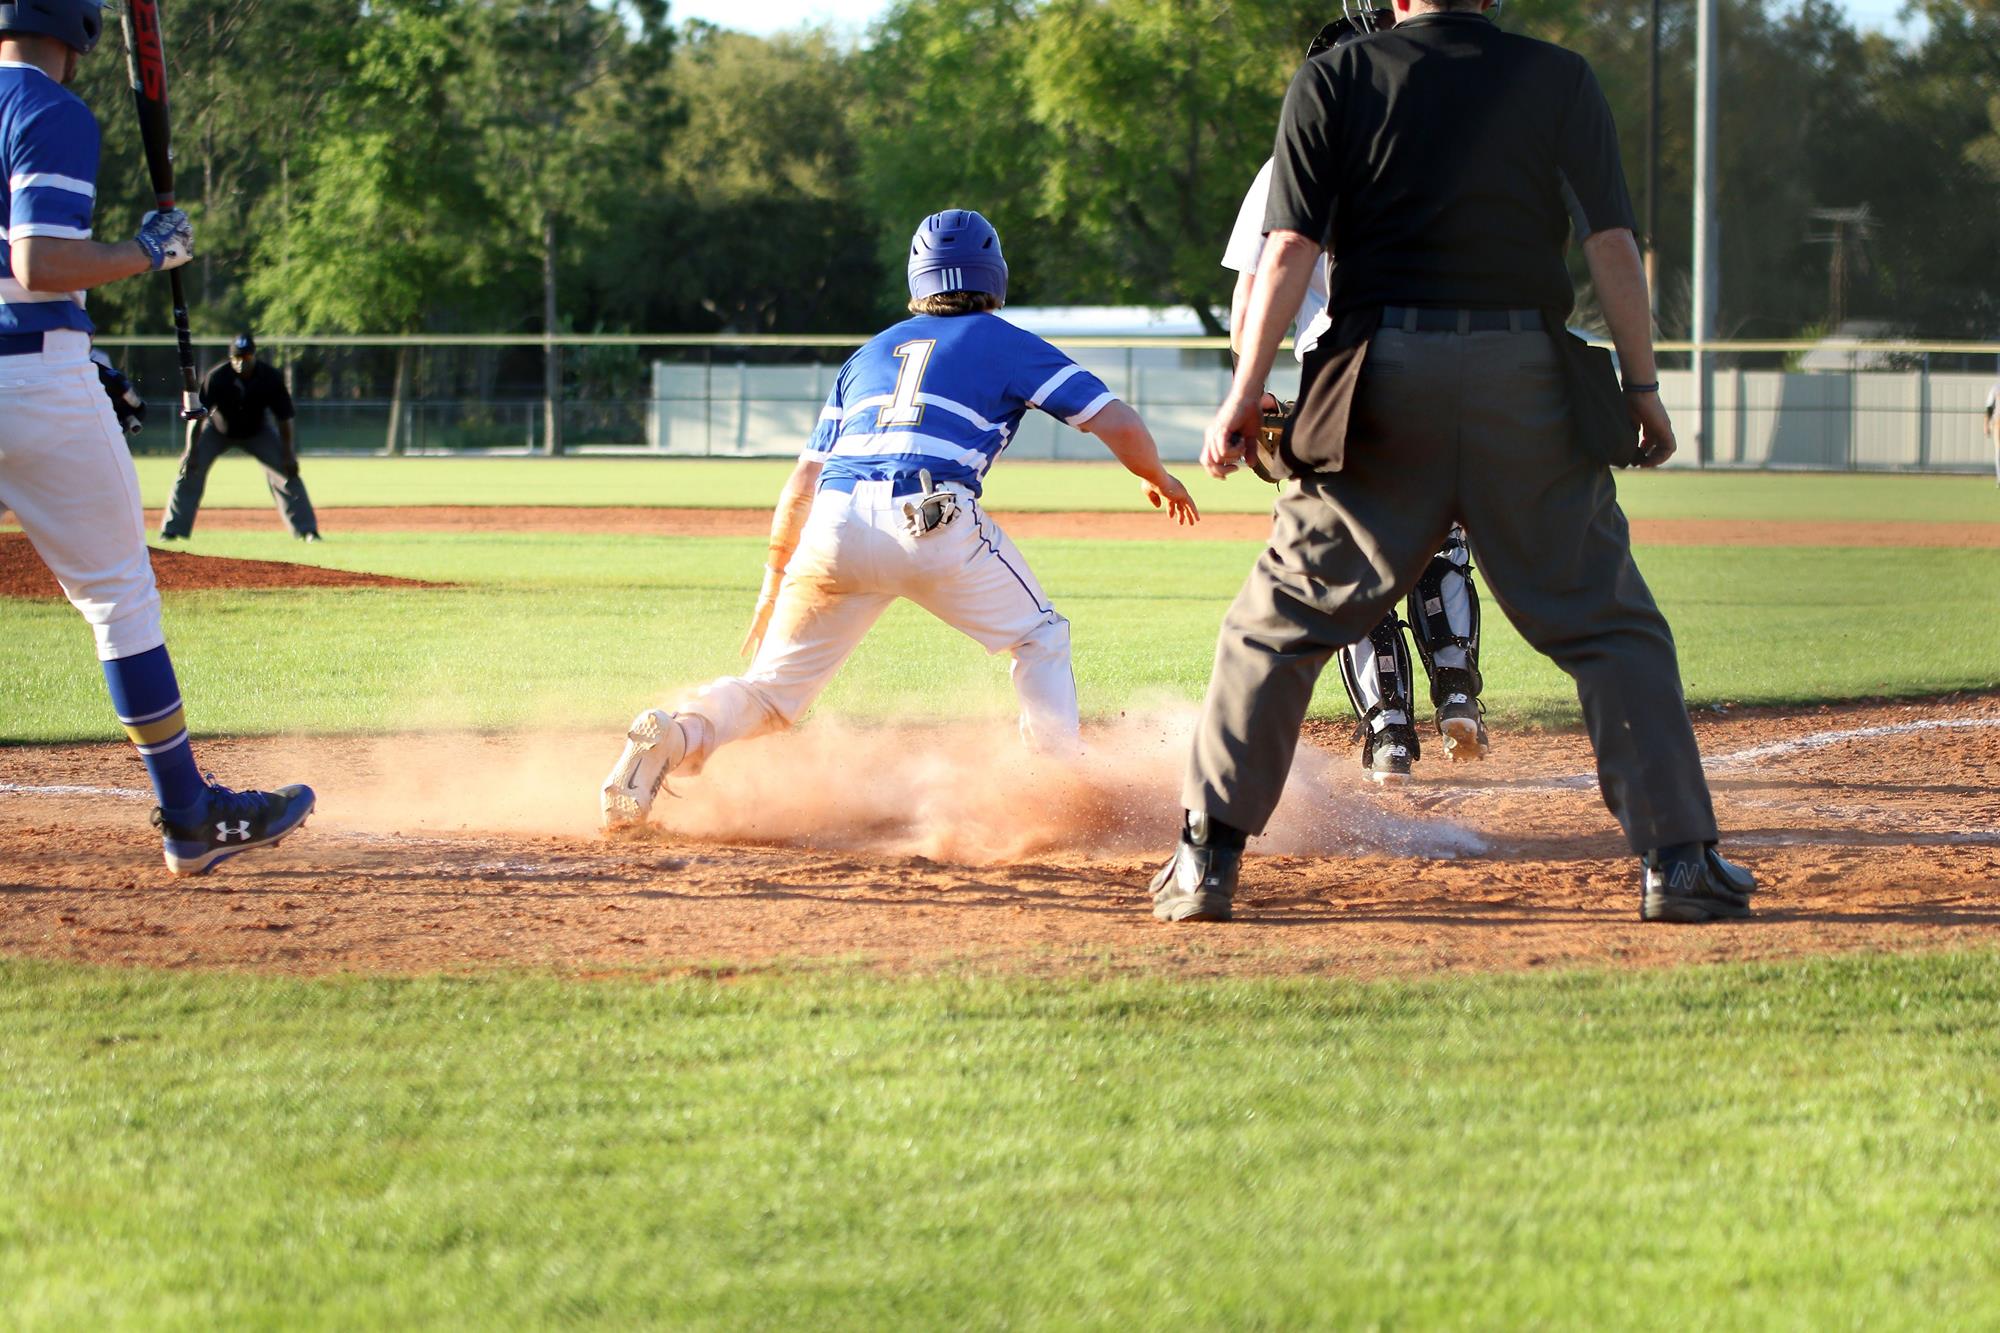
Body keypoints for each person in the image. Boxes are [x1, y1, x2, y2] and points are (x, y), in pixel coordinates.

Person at [1150, 0, 1756, 925]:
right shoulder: (1558, 78)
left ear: (1396, 1)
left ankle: (1206, 863)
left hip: (1377, 380)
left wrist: (1243, 392)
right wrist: (1640, 385)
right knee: (1609, 623)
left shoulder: (1334, 77)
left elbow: (1288, 249)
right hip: (1528, 383)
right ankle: (1678, 864)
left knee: (1279, 623)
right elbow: (1612, 246)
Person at [601, 209, 1201, 827]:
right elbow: (1117, 420)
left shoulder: (866, 355)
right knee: (1038, 637)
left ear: (918, 277)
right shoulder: (1005, 342)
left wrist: (772, 580)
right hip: (930, 517)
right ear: (994, 274)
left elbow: (803, 481)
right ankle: (1059, 786)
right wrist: (1157, 476)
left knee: (770, 694)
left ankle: (676, 735)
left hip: (831, 528)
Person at [1, 0, 313, 873]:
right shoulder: (50, 109)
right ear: (77, 24)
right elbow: (37, 263)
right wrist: (146, 251)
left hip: (29, 361)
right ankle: (189, 815)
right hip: (34, 380)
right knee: (118, 598)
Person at [1221, 19, 1490, 785]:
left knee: (1348, 560)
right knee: (1442, 543)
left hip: (1332, 382)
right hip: (1438, 371)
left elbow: (1255, 288)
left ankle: (1388, 735)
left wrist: (1250, 390)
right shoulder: (1436, 153)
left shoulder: (1286, 163)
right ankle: (1458, 686)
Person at [159, 332, 318, 541]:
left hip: (257, 431)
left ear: (254, 356)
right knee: (190, 469)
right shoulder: (217, 376)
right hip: (218, 430)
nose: (241, 363)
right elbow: (197, 417)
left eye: (246, 358)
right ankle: (171, 530)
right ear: (230, 358)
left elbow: (284, 418)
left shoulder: (270, 377)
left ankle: (307, 530)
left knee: (287, 471)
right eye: (237, 358)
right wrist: (191, 451)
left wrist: (288, 453)